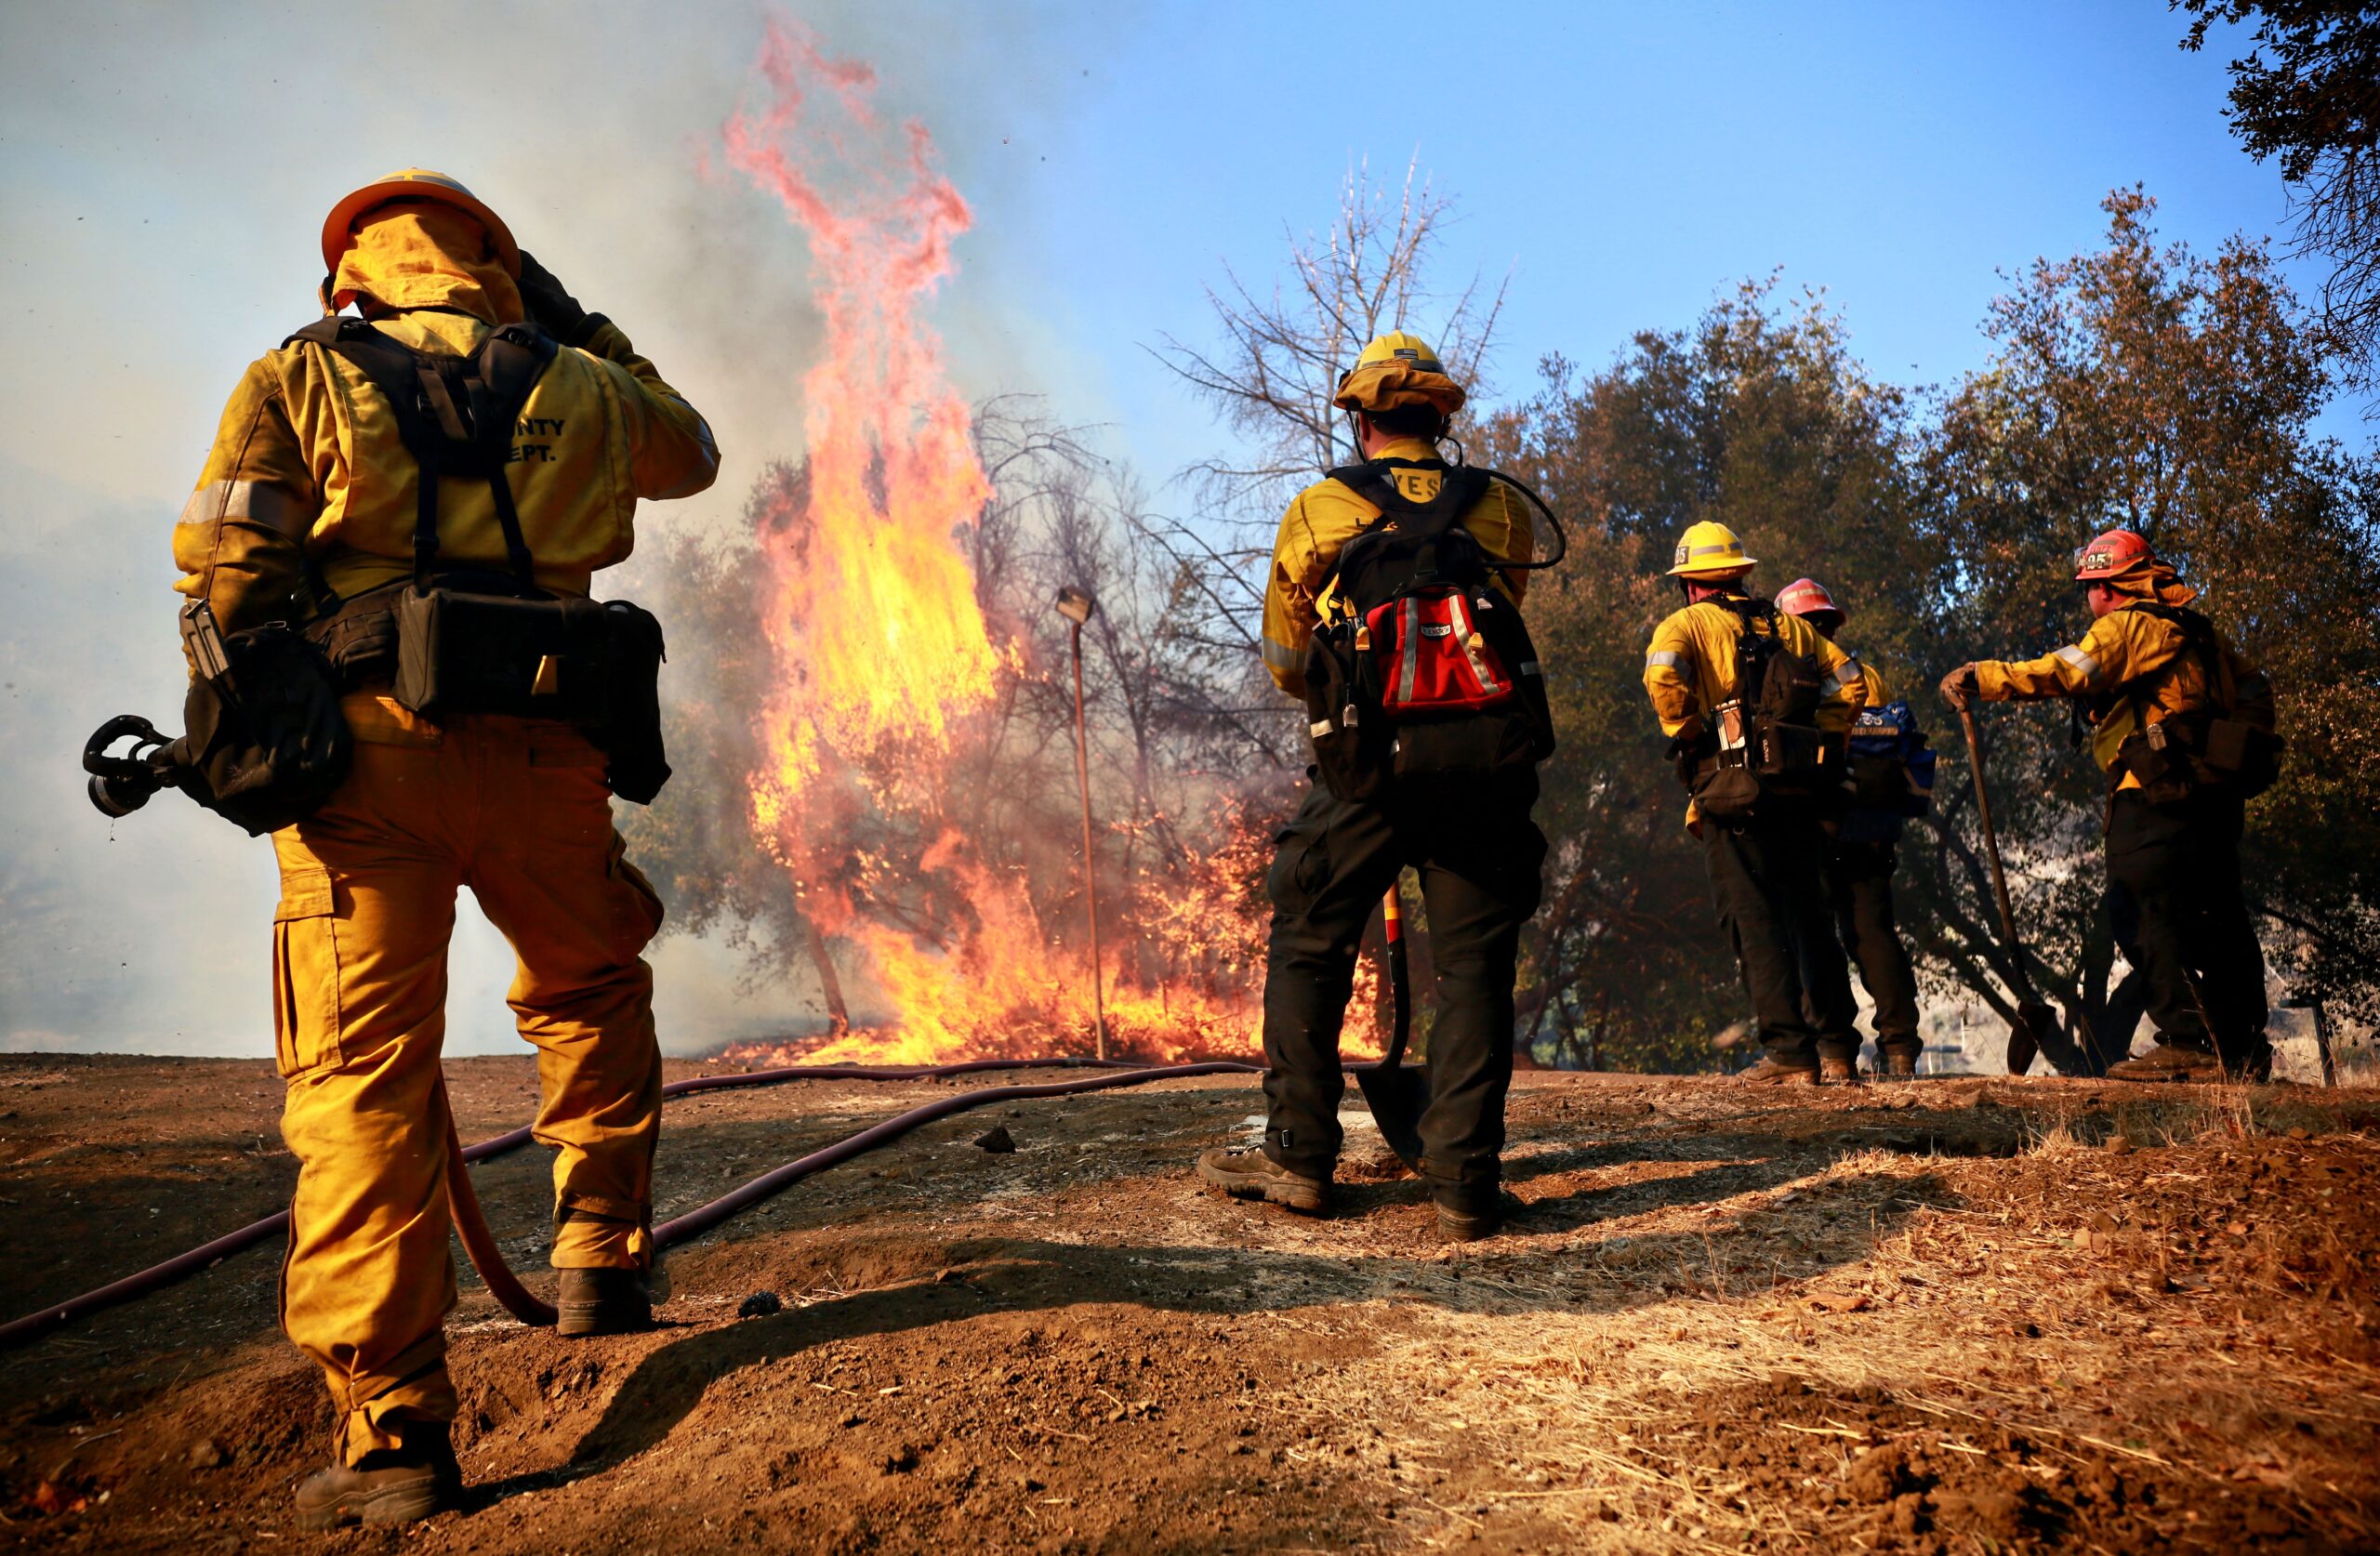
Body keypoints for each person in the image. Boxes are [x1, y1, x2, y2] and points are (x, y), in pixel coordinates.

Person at [172, 168, 719, 1526]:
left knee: (365, 1078)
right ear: (503, 270)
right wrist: (588, 335)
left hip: (373, 764)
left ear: (350, 273)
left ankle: (396, 1432)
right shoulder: (583, 386)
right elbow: (691, 453)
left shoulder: (296, 374)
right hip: (548, 748)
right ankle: (600, 1257)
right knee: (590, 983)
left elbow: (227, 570)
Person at [1196, 332, 1548, 1241]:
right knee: (1474, 968)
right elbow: (1494, 628)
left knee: (1309, 937)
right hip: (1481, 773)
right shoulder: (1502, 508)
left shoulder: (1320, 509)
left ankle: (1299, 1159)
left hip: (1366, 771)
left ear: (1361, 421)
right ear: (1441, 418)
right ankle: (1466, 1181)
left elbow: (1284, 661)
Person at [1940, 530, 2277, 1082]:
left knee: (2137, 909)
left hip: (2152, 797)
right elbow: (2256, 691)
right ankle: (2240, 1048)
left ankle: (2189, 1044)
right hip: (2214, 800)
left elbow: (2065, 669)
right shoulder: (2202, 634)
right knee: (2217, 917)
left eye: (2090, 589)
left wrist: (1983, 677)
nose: (2089, 601)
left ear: (2107, 588)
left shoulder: (2126, 626)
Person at [1644, 529, 1868, 1083]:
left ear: (1690, 583)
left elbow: (1662, 674)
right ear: (1739, 574)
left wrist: (1689, 731)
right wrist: (1826, 740)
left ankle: (1791, 1055)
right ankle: (1837, 1049)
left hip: (1731, 793)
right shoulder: (1787, 625)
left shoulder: (1686, 624)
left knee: (1755, 919)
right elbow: (1852, 681)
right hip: (1799, 790)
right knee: (1810, 914)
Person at [1775, 577, 1935, 1079]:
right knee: (1873, 933)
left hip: (1816, 822)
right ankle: (1901, 1048)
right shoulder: (1866, 676)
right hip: (1872, 824)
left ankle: (1834, 1052)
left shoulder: (1791, 678)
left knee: (1812, 937)